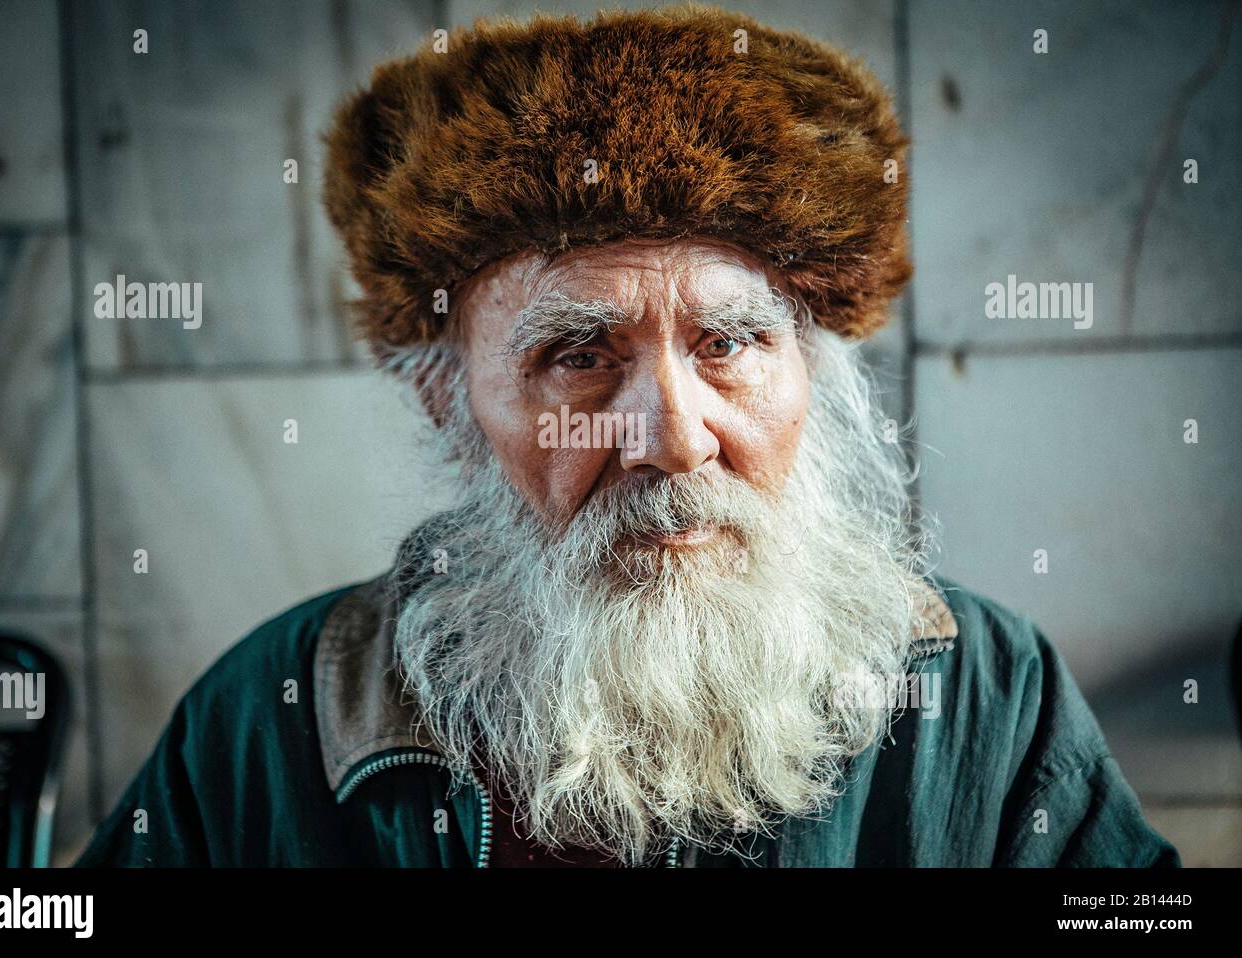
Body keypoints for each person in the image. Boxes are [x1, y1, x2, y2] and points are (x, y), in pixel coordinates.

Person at [76, 4, 1178, 868]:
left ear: (813, 376)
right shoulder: (279, 713)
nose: (674, 440)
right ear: (447, 401)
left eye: (730, 343)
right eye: (578, 355)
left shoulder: (981, 694)